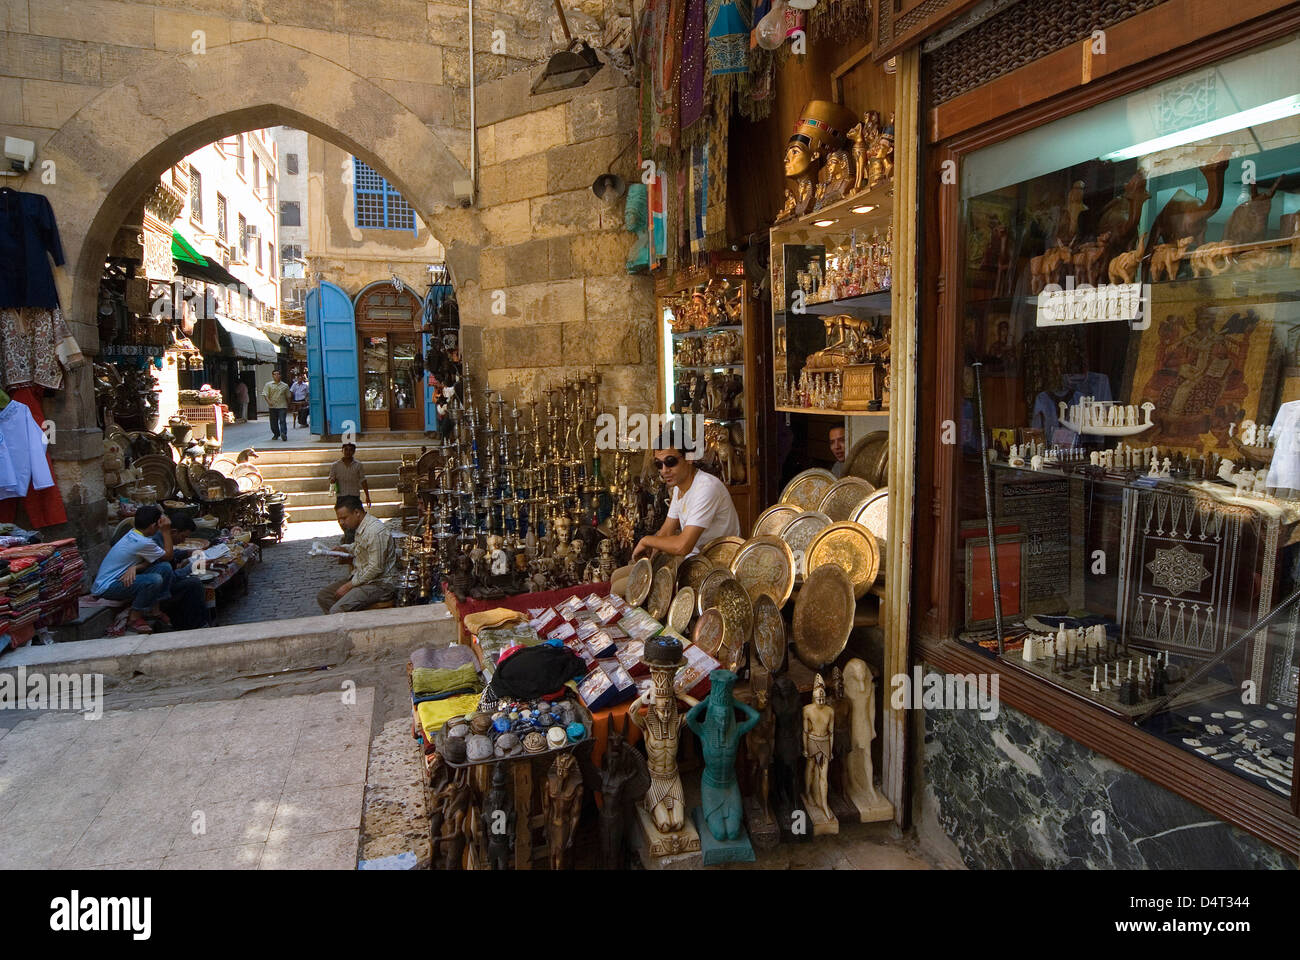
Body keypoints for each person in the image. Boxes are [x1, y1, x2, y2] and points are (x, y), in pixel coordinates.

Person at [631, 425, 739, 560]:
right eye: (659, 464)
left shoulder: (706, 488)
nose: (664, 470)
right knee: (620, 575)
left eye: (671, 462)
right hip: (697, 560)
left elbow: (683, 546)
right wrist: (649, 562)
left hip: (718, 565)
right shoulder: (679, 487)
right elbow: (666, 531)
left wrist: (646, 540)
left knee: (623, 580)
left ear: (689, 458)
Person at [92, 505, 175, 633]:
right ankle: (134, 617)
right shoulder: (143, 542)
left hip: (119, 578)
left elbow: (151, 560)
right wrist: (166, 531)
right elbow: (168, 555)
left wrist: (135, 567)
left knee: (164, 568)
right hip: (108, 587)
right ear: (153, 526)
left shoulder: (134, 534)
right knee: (154, 579)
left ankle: (155, 610)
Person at [316, 495, 398, 614]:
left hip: (380, 584)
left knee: (337, 610)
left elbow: (375, 568)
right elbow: (358, 547)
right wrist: (343, 549)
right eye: (339, 519)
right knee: (324, 596)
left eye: (344, 518)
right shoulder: (361, 527)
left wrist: (349, 586)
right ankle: (343, 625)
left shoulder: (375, 531)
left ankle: (348, 627)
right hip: (363, 579)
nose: (341, 522)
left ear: (356, 512)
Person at [154, 513, 209, 630]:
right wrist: (191, 567)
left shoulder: (162, 539)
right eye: (183, 537)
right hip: (160, 591)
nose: (183, 540)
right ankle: (196, 625)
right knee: (194, 584)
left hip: (166, 581)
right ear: (174, 532)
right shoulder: (156, 541)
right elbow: (170, 578)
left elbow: (171, 555)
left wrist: (187, 553)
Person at [328, 443, 371, 544]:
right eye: (346, 450)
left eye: (350, 450)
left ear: (354, 452)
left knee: (357, 518)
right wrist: (333, 481)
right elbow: (331, 479)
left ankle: (352, 538)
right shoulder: (335, 465)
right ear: (342, 451)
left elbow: (363, 481)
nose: (348, 452)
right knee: (343, 520)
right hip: (341, 497)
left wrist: (367, 496)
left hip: (354, 496)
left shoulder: (358, 465)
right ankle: (348, 536)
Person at [262, 369, 291, 441]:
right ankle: (276, 434)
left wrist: (288, 404)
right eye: (275, 374)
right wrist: (269, 402)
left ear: (280, 375)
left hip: (282, 405)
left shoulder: (285, 386)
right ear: (272, 376)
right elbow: (265, 394)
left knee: (282, 420)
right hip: (272, 406)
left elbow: (288, 396)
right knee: (273, 422)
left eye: (278, 374)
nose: (276, 376)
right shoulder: (268, 385)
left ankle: (283, 433)